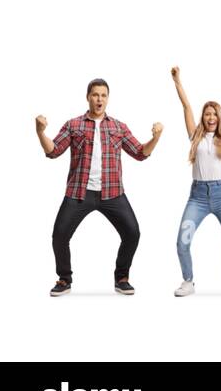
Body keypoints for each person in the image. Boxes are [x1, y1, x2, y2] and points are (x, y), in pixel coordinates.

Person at [37, 78, 164, 296]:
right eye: (95, 95)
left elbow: (140, 153)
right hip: (79, 192)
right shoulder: (73, 125)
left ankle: (122, 277)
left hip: (112, 193)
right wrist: (40, 132)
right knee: (59, 235)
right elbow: (54, 151)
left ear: (108, 99)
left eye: (103, 95)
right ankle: (64, 279)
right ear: (88, 97)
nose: (99, 99)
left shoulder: (118, 127)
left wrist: (156, 138)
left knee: (132, 233)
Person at [170, 65, 221, 297]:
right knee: (182, 242)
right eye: (207, 113)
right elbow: (186, 106)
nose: (211, 117)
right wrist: (177, 81)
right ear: (203, 118)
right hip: (197, 197)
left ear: (219, 117)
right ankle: (188, 281)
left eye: (215, 113)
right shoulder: (195, 136)